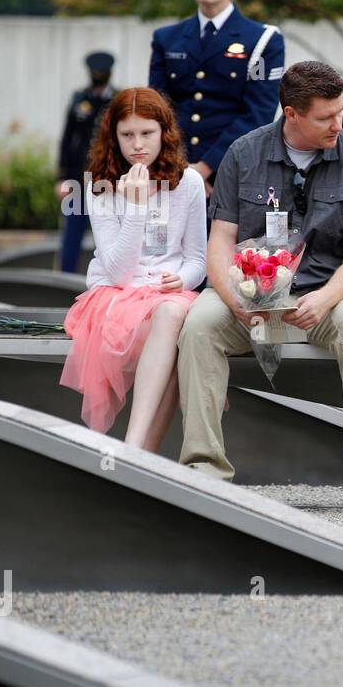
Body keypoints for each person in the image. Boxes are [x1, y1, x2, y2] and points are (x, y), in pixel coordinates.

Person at [176, 61, 343, 516]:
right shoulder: (243, 153)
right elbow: (220, 241)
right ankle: (203, 471)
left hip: (331, 292)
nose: (338, 124)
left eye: (341, 112)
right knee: (198, 326)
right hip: (248, 293)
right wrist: (234, 301)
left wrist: (328, 297)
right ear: (291, 113)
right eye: (325, 117)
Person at [59, 88, 207, 450]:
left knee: (177, 323)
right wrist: (136, 207)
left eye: (147, 134)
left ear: (164, 133)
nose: (137, 145)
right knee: (176, 331)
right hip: (116, 298)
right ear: (114, 136)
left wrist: (182, 278)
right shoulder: (99, 183)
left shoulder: (187, 182)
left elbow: (197, 261)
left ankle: (137, 452)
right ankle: (139, 449)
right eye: (127, 135)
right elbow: (118, 272)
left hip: (168, 296)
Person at [149, 0, 284, 195]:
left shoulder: (262, 40)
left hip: (234, 173)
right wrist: (179, 166)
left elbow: (258, 114)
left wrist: (206, 167)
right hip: (175, 171)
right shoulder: (166, 39)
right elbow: (157, 110)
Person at [56, 51, 116, 273]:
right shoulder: (79, 100)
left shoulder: (117, 99)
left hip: (109, 180)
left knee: (110, 233)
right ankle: (65, 277)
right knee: (72, 234)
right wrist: (61, 177)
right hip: (78, 179)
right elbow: (66, 139)